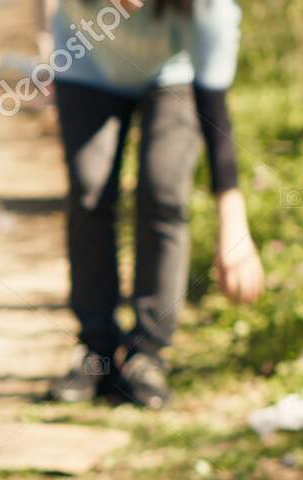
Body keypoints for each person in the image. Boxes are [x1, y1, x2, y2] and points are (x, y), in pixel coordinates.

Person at [44, 0, 264, 409]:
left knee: (164, 191)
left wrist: (234, 229)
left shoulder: (207, 8)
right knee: (89, 190)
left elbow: (214, 108)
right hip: (86, 61)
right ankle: (96, 350)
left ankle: (147, 355)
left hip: (172, 71)